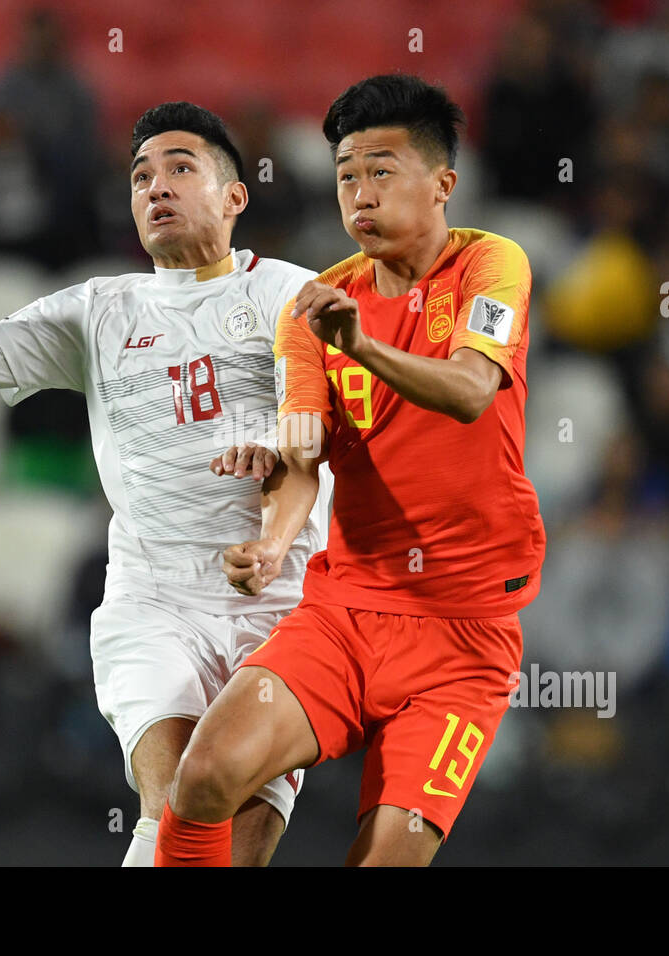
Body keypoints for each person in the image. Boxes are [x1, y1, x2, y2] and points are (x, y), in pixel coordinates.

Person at [0, 102, 328, 866]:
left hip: (279, 609)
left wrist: (278, 468)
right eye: (140, 176)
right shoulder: (99, 310)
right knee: (175, 804)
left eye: (180, 168)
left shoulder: (291, 296)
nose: (156, 187)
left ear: (234, 196)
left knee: (232, 851)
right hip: (155, 603)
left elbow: (334, 436)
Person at [157, 75, 546, 866]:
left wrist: (362, 345)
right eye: (346, 175)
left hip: (464, 636)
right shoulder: (316, 308)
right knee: (203, 774)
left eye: (381, 171)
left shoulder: (490, 265)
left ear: (442, 185)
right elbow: (303, 459)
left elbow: (472, 391)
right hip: (348, 609)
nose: (360, 194)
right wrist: (274, 545)